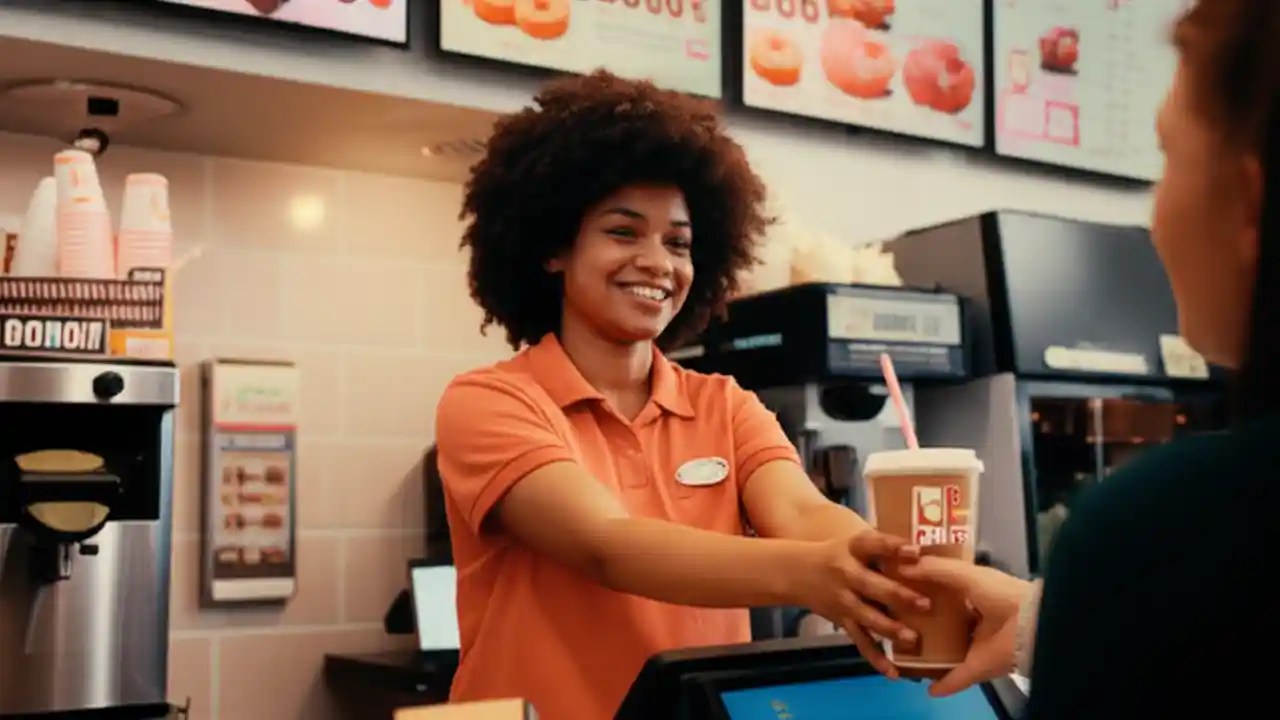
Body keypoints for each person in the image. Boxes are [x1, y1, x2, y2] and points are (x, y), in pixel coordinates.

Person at [433, 70, 927, 720]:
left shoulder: (726, 405)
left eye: (678, 243)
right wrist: (818, 576)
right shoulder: (489, 402)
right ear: (554, 247)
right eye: (623, 231)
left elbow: (804, 517)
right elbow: (606, 545)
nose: (659, 262)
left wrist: (878, 565)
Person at [897, 0, 1279, 715]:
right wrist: (1056, 620)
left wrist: (1107, 590)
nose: (1154, 215)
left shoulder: (1159, 532)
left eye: (1166, 160)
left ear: (1249, 204)